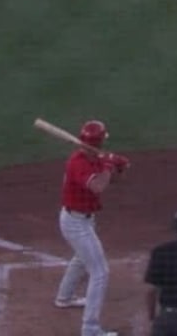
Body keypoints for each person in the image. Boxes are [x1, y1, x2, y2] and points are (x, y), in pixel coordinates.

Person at [53, 119, 131, 336]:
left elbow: (110, 181)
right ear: (98, 142)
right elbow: (97, 186)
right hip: (75, 222)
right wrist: (108, 164)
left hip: (83, 219)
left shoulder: (94, 157)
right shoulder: (77, 163)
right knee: (100, 272)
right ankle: (90, 329)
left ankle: (64, 297)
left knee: (81, 258)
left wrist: (119, 167)